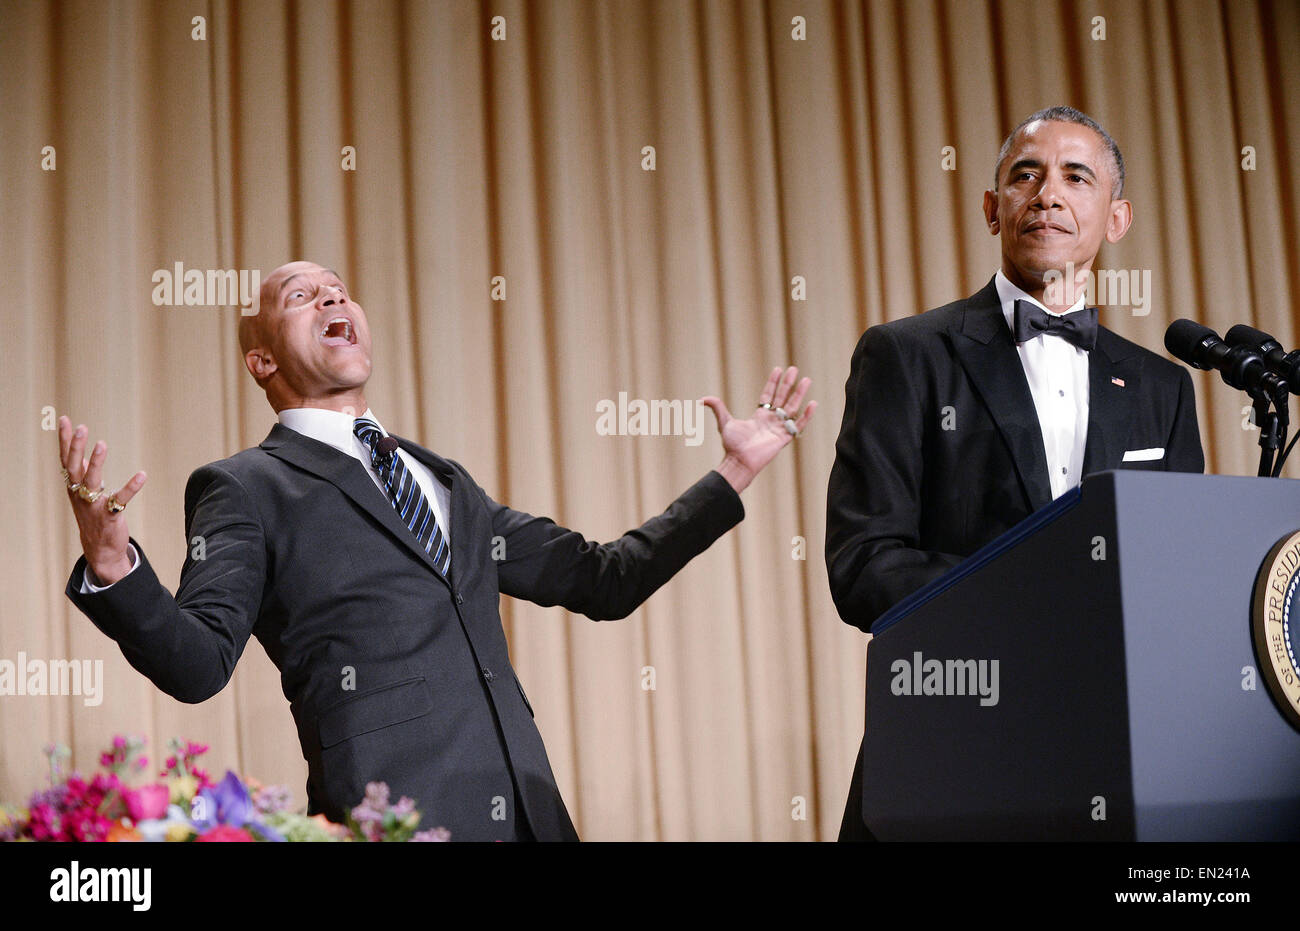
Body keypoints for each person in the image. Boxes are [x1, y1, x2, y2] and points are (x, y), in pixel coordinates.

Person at [59, 260, 816, 841]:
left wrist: (735, 470)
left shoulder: (443, 482)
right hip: (397, 820)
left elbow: (604, 578)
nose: (332, 299)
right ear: (261, 361)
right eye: (302, 296)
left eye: (340, 289)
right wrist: (113, 568)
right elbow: (197, 662)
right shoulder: (245, 488)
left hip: (531, 815)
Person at [826, 106, 1204, 840]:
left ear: (1116, 217)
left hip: (1115, 759)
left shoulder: (1162, 386)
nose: (1049, 194)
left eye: (1076, 176)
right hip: (952, 746)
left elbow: (1178, 575)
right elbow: (864, 562)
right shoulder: (906, 354)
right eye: (1025, 175)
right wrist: (1028, 611)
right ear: (993, 209)